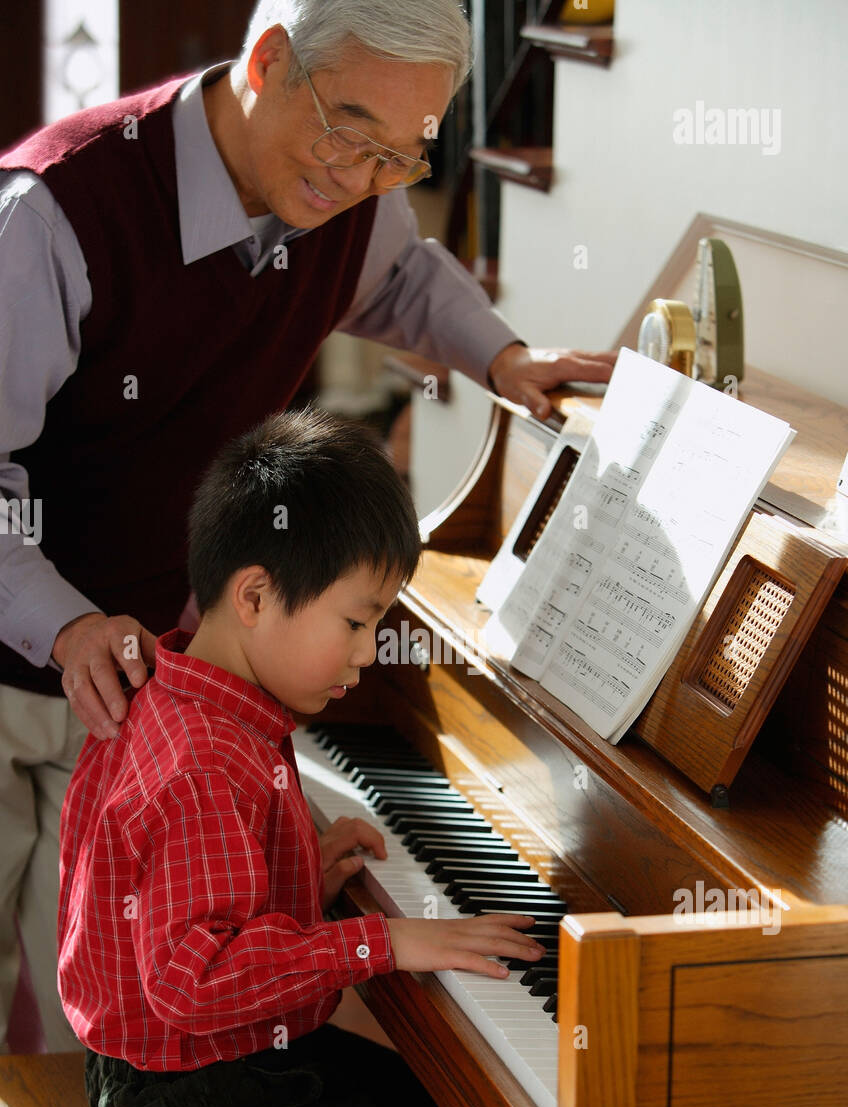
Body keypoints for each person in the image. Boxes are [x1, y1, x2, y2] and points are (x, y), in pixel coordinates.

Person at [0, 0, 614, 1052]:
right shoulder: (55, 213)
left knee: (103, 1034)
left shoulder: (357, 204)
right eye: (347, 132)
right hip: (37, 633)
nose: (360, 177)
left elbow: (405, 277)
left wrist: (501, 359)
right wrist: (63, 626)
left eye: (397, 157)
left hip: (129, 673)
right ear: (269, 59)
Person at [60, 407, 554, 1107]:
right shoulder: (204, 765)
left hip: (195, 1075)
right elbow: (193, 981)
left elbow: (184, 893)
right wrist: (386, 943)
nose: (367, 657)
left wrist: (302, 875)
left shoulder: (191, 694)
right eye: (356, 623)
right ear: (254, 596)